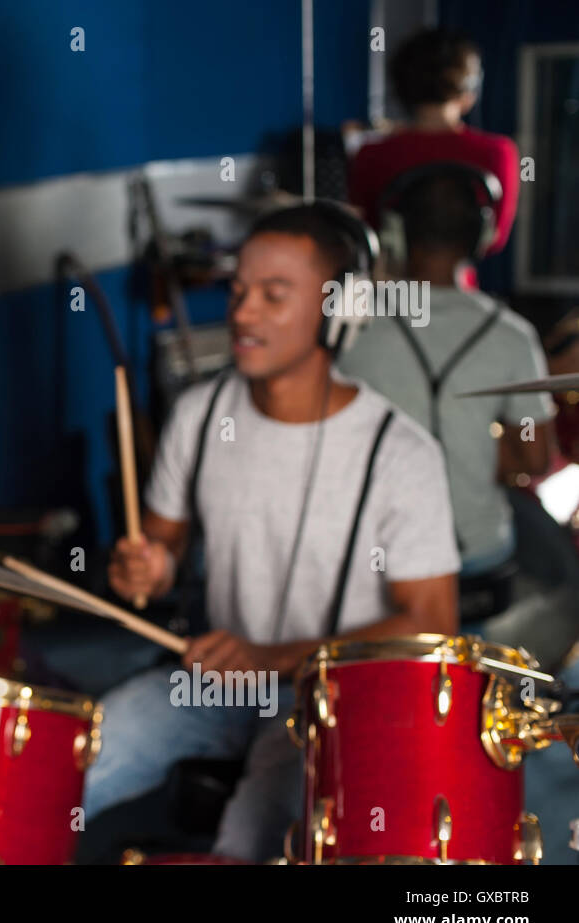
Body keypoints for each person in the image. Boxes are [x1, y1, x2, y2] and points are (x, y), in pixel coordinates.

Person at [82, 204, 460, 862]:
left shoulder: (399, 451)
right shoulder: (199, 416)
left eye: (273, 296)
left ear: (340, 312)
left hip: (330, 702)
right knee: (72, 758)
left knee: (260, 836)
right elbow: (165, 540)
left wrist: (272, 655)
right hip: (211, 676)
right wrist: (151, 565)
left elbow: (430, 624)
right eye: (237, 292)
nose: (243, 314)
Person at [337, 166, 556, 628]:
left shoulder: (350, 320)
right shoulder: (512, 335)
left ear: (395, 232)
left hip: (371, 554)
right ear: (483, 236)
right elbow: (535, 460)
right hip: (475, 553)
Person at [349, 29, 518, 289]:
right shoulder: (498, 152)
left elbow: (366, 230)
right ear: (469, 87)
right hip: (462, 296)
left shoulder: (371, 154)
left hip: (392, 294)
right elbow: (495, 239)